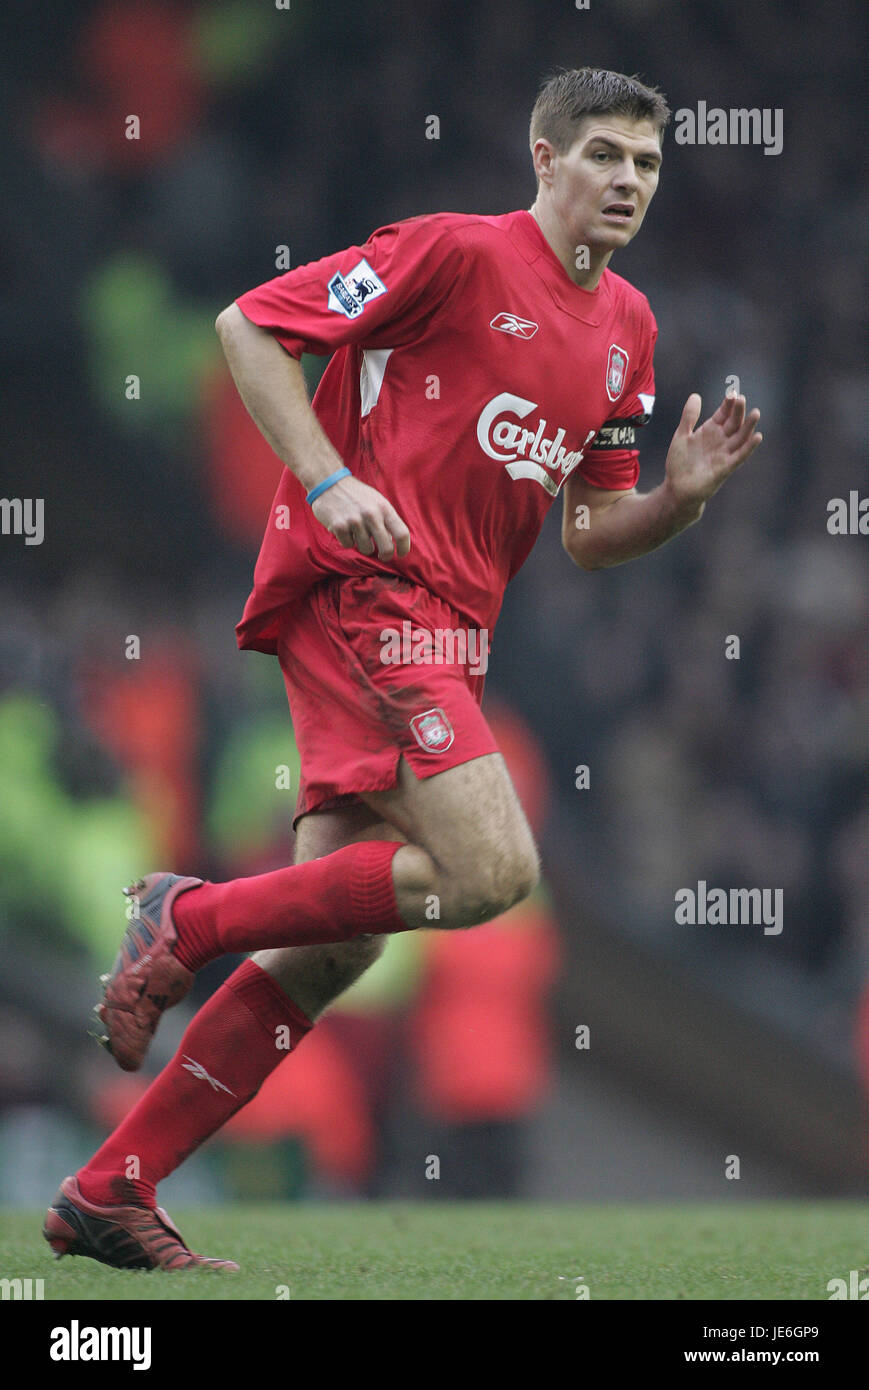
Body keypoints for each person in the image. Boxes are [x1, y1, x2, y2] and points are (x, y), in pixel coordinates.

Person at [44, 67, 762, 1270]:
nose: (625, 181)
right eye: (601, 155)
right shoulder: (452, 255)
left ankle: (113, 1183)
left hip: (447, 635)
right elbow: (247, 325)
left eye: (643, 162)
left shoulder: (628, 329)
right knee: (491, 869)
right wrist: (330, 477)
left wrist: (676, 505)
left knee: (334, 945)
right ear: (542, 160)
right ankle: (186, 913)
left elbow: (591, 531)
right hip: (367, 595)